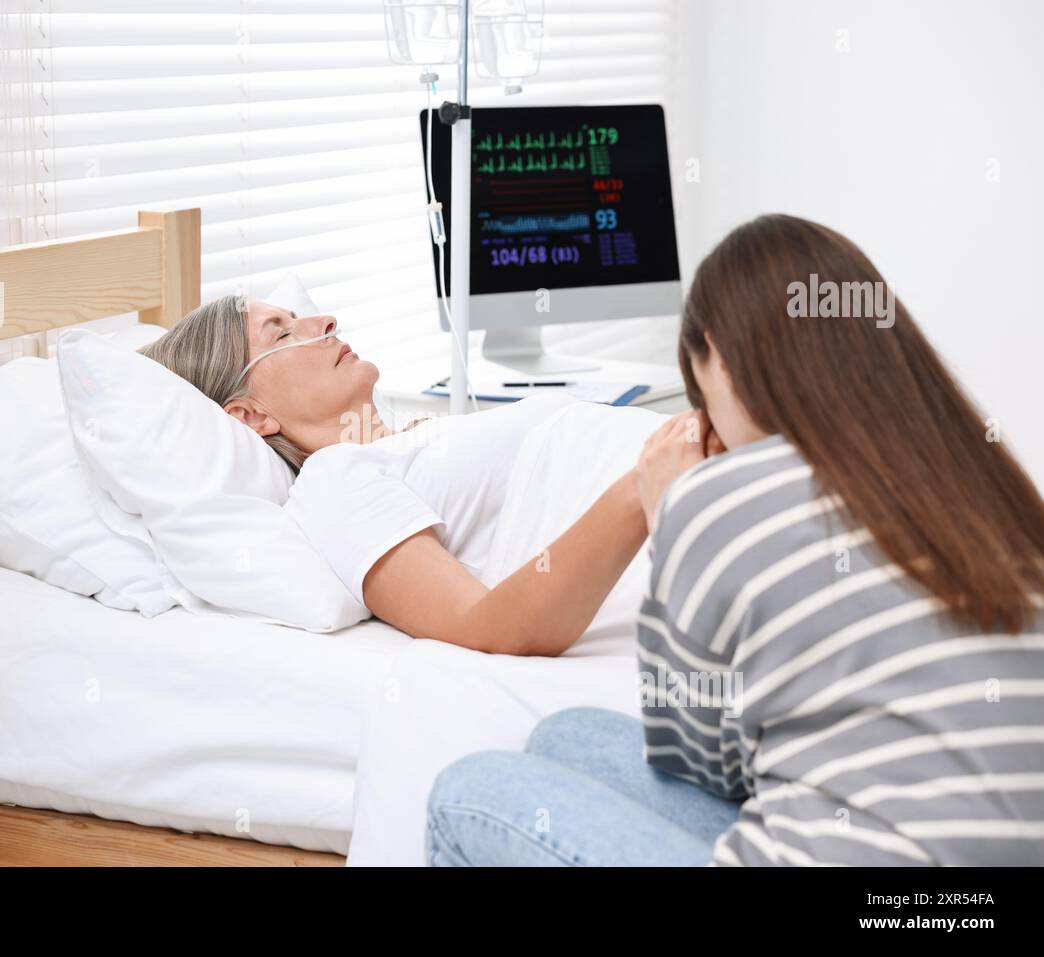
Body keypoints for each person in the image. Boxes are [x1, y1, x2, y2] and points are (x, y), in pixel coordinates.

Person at [425, 214, 1044, 866]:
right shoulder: (985, 483)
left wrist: (675, 519)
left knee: (465, 792)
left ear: (717, 353)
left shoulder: (724, 500)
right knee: (567, 736)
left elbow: (704, 761)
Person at [139, 296, 710, 656]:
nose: (325, 320)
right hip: (696, 503)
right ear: (251, 415)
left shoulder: (409, 444)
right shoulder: (334, 482)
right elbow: (487, 629)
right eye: (283, 333)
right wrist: (640, 488)